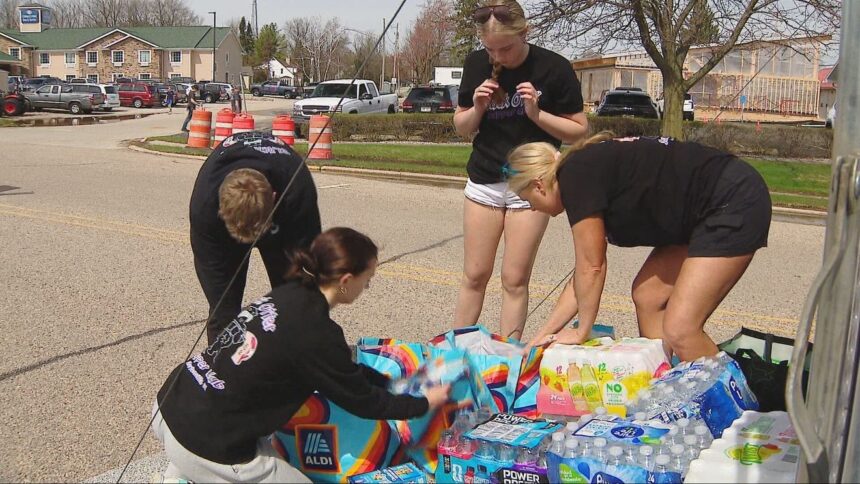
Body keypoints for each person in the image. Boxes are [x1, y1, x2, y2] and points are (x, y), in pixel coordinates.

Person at [153, 227, 452, 483]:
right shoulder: (317, 332)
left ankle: (181, 473)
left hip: (170, 405)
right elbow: (364, 401)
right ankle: (194, 470)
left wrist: (392, 383)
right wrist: (425, 403)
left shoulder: (289, 294)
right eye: (368, 278)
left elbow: (344, 372)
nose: (368, 286)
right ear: (346, 281)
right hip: (206, 443)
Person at [507, 134, 772, 361]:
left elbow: (593, 267)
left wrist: (581, 331)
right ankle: (666, 387)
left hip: (731, 200)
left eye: (526, 199)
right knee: (649, 295)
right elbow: (582, 277)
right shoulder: (579, 171)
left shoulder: (575, 177)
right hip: (705, 208)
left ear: (538, 185)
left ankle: (729, 408)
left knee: (681, 327)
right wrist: (539, 340)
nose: (531, 207)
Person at [452, 0, 588, 341]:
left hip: (531, 185)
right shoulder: (475, 64)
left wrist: (537, 114)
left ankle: (508, 355)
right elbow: (461, 127)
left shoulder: (554, 68)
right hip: (484, 179)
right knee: (474, 275)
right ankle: (454, 353)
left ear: (525, 33)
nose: (498, 57)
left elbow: (579, 130)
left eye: (506, 48)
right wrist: (479, 107)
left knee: (514, 279)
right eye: (490, 49)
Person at [190, 131, 321, 344]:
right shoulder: (205, 204)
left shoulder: (297, 189)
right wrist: (225, 320)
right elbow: (212, 273)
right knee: (222, 314)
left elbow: (310, 262)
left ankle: (295, 362)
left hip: (284, 224)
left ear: (274, 197)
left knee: (296, 304)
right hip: (226, 230)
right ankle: (223, 370)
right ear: (220, 208)